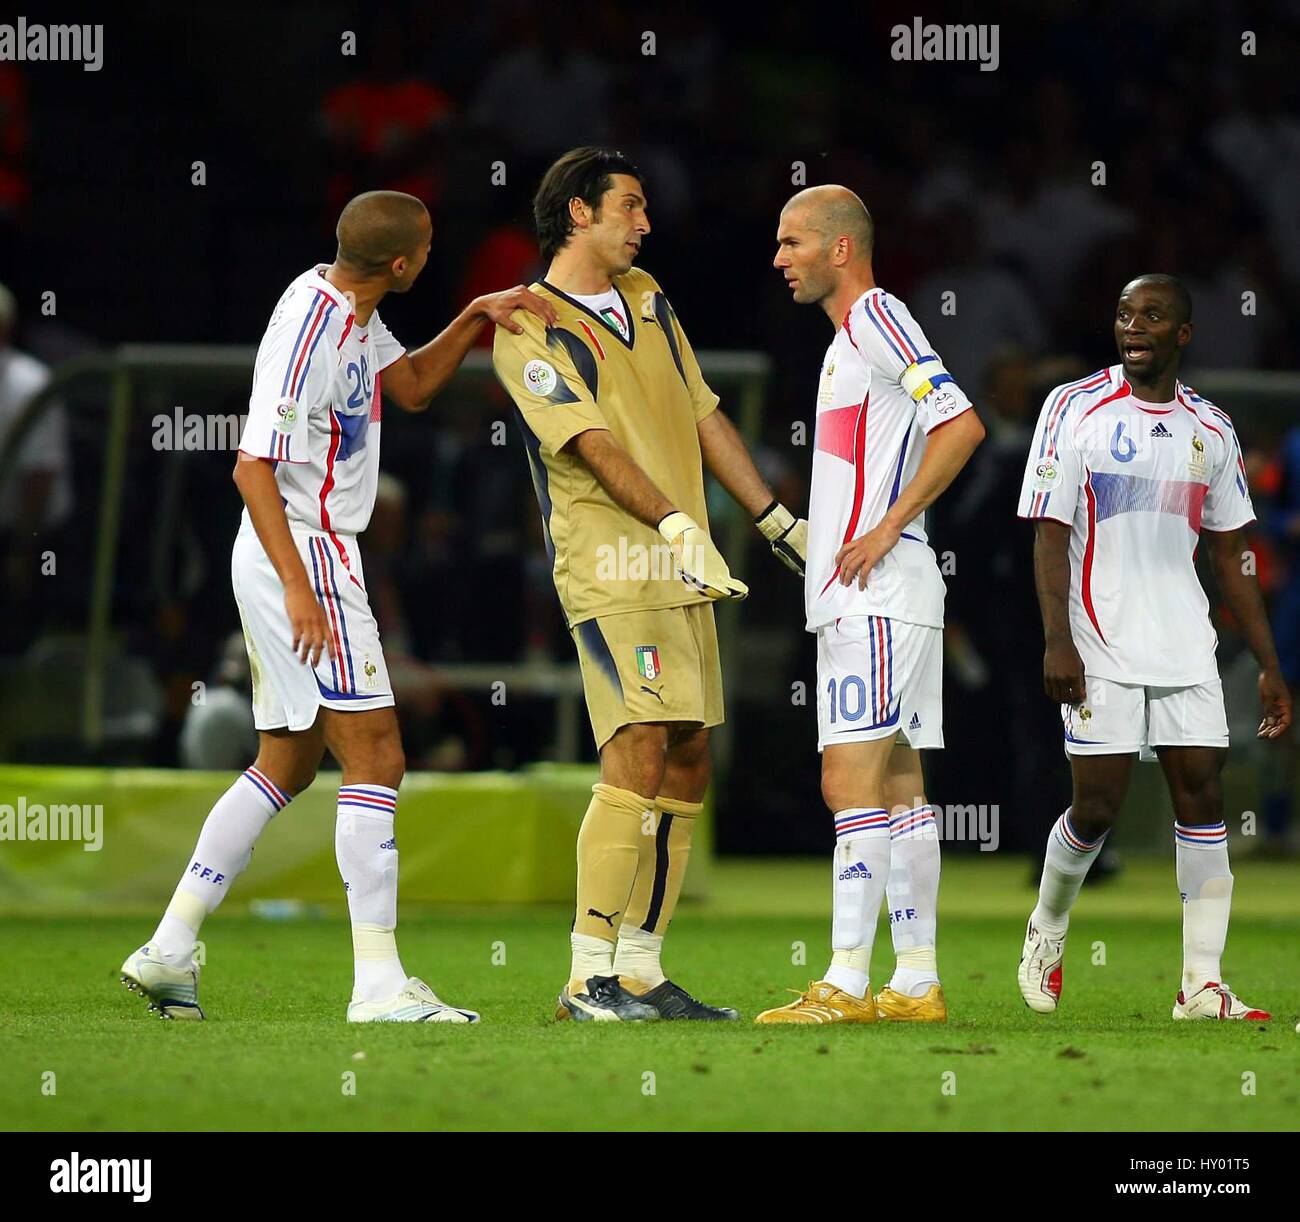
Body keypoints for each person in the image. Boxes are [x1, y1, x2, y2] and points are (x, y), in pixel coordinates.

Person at [120, 190, 555, 1022]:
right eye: (427, 247)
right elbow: (252, 467)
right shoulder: (311, 327)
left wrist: (475, 317)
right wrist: (297, 586)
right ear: (402, 263)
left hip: (306, 548)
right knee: (379, 756)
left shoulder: (354, 313)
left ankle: (170, 947)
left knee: (287, 759)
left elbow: (417, 385)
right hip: (305, 548)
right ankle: (378, 985)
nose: (433, 254)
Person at [493, 147, 806, 1022]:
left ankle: (639, 967)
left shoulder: (649, 297)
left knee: (691, 751)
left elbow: (701, 408)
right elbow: (589, 441)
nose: (645, 221)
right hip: (613, 559)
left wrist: (772, 517)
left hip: (686, 556)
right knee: (638, 737)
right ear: (578, 214)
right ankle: (584, 973)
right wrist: (672, 523)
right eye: (629, 205)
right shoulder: (526, 323)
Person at [1016, 274, 1292, 1021]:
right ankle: (1047, 926)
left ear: (1183, 335)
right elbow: (1049, 529)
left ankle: (1202, 986)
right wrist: (1058, 641)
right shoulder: (1073, 407)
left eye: (1152, 315)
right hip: (1097, 639)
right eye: (1123, 312)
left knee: (1203, 796)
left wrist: (1269, 662)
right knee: (1097, 809)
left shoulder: (1213, 429)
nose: (1133, 326)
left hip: (1185, 643)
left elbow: (1234, 552)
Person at [756, 185, 985, 1025]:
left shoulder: (878, 319)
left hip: (877, 595)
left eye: (792, 243)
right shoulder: (851, 340)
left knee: (848, 781)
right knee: (898, 786)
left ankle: (845, 982)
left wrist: (887, 526)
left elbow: (960, 425)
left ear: (840, 249)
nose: (779, 259)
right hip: (876, 595)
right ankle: (917, 981)